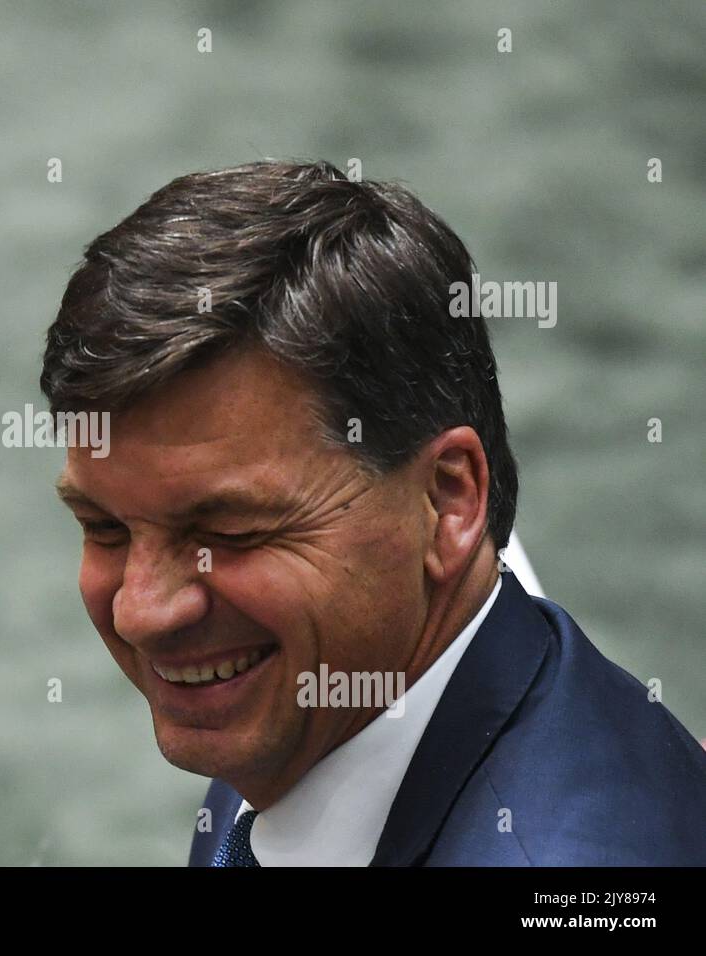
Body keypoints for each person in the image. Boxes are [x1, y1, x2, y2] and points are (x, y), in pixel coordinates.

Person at [40, 159, 706, 865]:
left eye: (227, 532)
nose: (144, 612)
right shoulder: (310, 702)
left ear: (449, 501)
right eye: (105, 528)